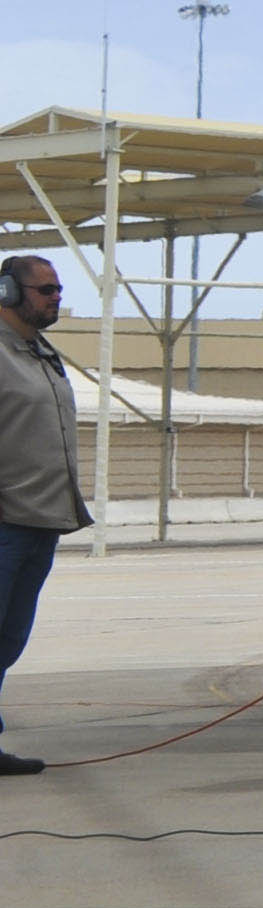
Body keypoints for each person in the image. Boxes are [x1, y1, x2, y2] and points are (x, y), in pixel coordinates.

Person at [0, 252, 90, 776]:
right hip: (7, 521)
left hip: (42, 518)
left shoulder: (42, 354)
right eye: (45, 290)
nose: (56, 297)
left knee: (9, 640)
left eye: (57, 289)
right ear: (9, 293)